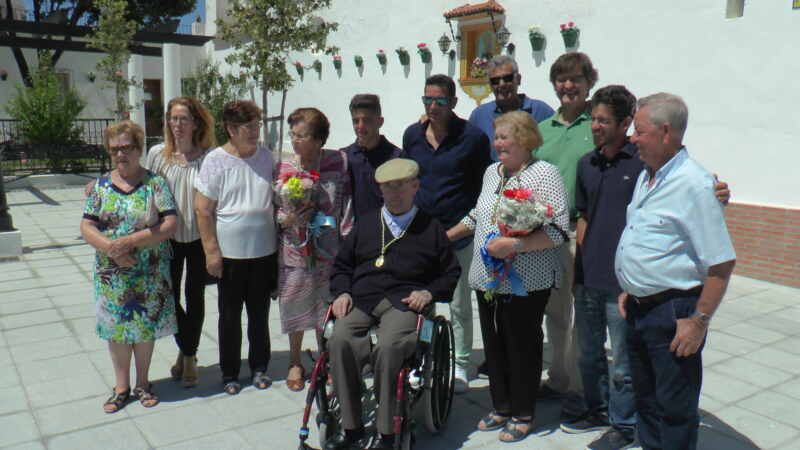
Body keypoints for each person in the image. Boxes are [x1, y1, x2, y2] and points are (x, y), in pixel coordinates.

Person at [616, 93, 736, 450]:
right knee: (647, 403)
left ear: (665, 132)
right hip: (639, 308)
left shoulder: (695, 185)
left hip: (673, 314)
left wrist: (698, 321)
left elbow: (721, 263)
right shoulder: (647, 175)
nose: (632, 138)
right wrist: (630, 285)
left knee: (675, 409)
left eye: (638, 130)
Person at [448, 111, 570, 443]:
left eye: (505, 136)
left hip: (527, 279)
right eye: (496, 136)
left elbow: (559, 231)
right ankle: (500, 406)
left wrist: (514, 244)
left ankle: (523, 412)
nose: (498, 143)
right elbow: (477, 215)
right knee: (494, 344)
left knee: (522, 345)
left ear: (526, 139)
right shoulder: (492, 172)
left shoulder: (544, 174)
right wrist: (446, 236)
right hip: (487, 276)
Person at [326, 158, 460, 450]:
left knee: (389, 347)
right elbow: (341, 266)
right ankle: (351, 429)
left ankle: (388, 433)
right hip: (363, 297)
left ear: (415, 186)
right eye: (388, 188)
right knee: (339, 340)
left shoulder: (430, 227)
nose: (394, 194)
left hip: (405, 301)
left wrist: (429, 293)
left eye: (400, 187)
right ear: (380, 191)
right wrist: (341, 293)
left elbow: (450, 272)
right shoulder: (367, 224)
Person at [80, 120, 178, 413]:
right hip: (112, 275)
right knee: (117, 331)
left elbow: (170, 223)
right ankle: (121, 387)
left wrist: (131, 242)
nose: (121, 154)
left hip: (148, 273)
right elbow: (86, 225)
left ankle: (143, 383)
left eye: (126, 148)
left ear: (139, 149)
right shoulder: (100, 186)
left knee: (144, 330)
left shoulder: (155, 184)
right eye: (115, 150)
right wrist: (112, 248)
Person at [402, 74, 492, 393]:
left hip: (460, 234)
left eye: (440, 100)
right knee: (420, 304)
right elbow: (407, 180)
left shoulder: (473, 138)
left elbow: (485, 190)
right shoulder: (412, 135)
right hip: (422, 236)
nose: (433, 106)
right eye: (428, 99)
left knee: (457, 305)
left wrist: (461, 229)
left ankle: (459, 364)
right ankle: (421, 360)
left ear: (453, 102)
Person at [194, 100, 278, 395]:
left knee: (260, 314)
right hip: (229, 255)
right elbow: (203, 210)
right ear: (230, 129)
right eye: (249, 126)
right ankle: (229, 373)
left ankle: (259, 367)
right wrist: (211, 251)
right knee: (229, 316)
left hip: (264, 251)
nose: (255, 131)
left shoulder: (267, 157)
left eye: (257, 125)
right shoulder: (215, 160)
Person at [532, 52, 600, 404]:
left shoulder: (599, 126)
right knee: (556, 314)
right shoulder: (542, 131)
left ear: (590, 82)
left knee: (585, 315)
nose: (568, 86)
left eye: (575, 79)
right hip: (547, 235)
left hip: (586, 232)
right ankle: (558, 378)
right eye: (561, 79)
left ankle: (579, 385)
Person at [276, 107, 353, 391]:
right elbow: (273, 210)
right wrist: (289, 218)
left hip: (329, 248)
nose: (295, 140)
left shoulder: (338, 161)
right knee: (293, 301)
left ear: (319, 139)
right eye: (293, 134)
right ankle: (295, 360)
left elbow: (346, 204)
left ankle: (327, 359)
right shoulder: (282, 166)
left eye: (302, 135)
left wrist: (346, 242)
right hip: (293, 247)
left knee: (326, 305)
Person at [144, 96, 216, 388]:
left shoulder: (209, 157)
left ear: (196, 122)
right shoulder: (157, 154)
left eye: (183, 119)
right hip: (168, 239)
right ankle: (187, 351)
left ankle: (188, 357)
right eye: (173, 119)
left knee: (195, 298)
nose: (177, 125)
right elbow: (143, 187)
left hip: (199, 238)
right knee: (169, 299)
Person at [468, 54, 554, 161]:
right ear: (490, 85)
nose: (502, 84)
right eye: (495, 81)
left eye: (507, 78)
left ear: (518, 79)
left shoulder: (541, 111)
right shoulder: (479, 116)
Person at [340, 94, 402, 218]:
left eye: (367, 120)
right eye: (355, 121)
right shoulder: (344, 157)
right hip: (353, 234)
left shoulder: (396, 158)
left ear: (380, 122)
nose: (360, 126)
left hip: (385, 233)